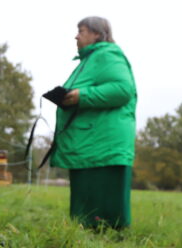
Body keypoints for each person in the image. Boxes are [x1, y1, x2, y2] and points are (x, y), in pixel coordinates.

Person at [50, 16, 137, 229]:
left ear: (97, 34)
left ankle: (110, 240)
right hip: (90, 140)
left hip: (103, 142)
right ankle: (87, 235)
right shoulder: (90, 60)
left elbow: (122, 90)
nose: (76, 36)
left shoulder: (107, 55)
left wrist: (82, 95)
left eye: (81, 31)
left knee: (107, 215)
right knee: (86, 208)